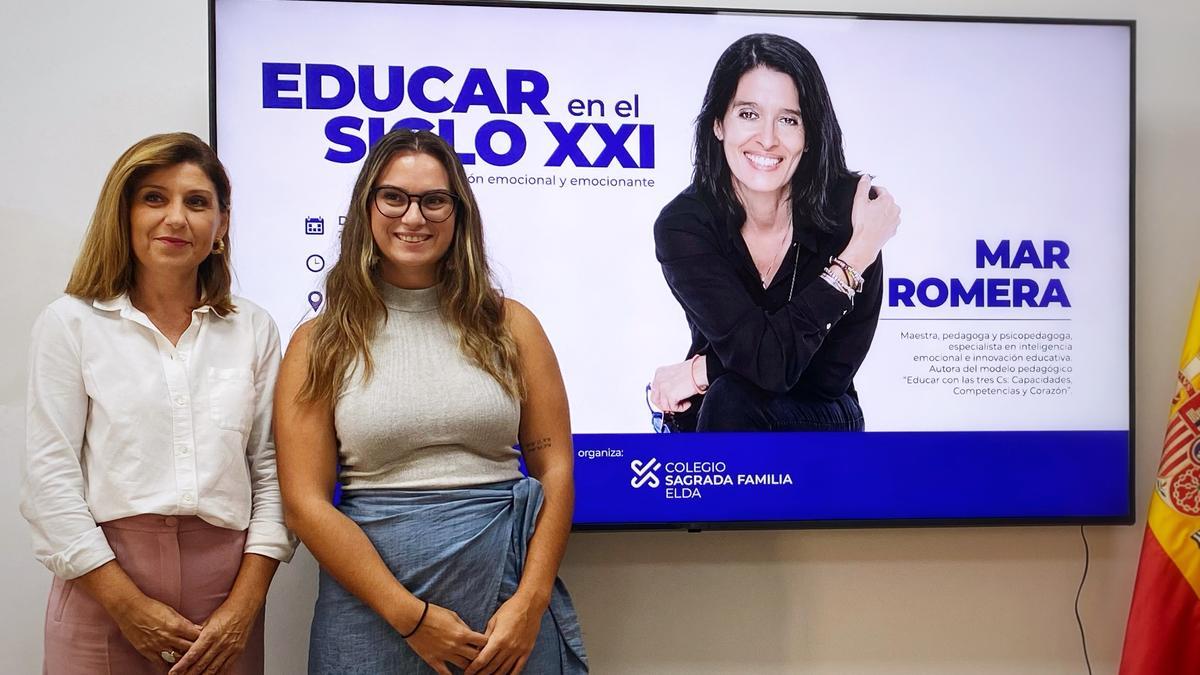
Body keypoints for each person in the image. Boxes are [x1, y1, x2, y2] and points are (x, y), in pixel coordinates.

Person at [274, 129, 588, 675]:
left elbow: (555, 467)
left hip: (505, 616)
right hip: (373, 608)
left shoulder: (512, 326)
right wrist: (412, 619)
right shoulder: (319, 342)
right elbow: (305, 503)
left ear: (459, 212)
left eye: (434, 200)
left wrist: (531, 602)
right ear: (367, 206)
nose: (413, 217)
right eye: (393, 197)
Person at [21, 132, 295, 674]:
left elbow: (272, 472)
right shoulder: (70, 323)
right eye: (154, 198)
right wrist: (126, 605)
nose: (176, 218)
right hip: (103, 585)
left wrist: (243, 607)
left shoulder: (254, 328)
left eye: (197, 202)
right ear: (123, 214)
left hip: (225, 595)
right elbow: (49, 479)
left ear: (221, 225)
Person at [650, 33, 901, 432]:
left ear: (809, 135)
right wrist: (852, 263)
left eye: (789, 119)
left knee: (730, 395)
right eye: (748, 114)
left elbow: (829, 377)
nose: (767, 138)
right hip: (722, 413)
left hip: (820, 413)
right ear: (719, 123)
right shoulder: (686, 224)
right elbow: (761, 364)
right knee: (726, 400)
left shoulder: (850, 215)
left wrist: (701, 371)